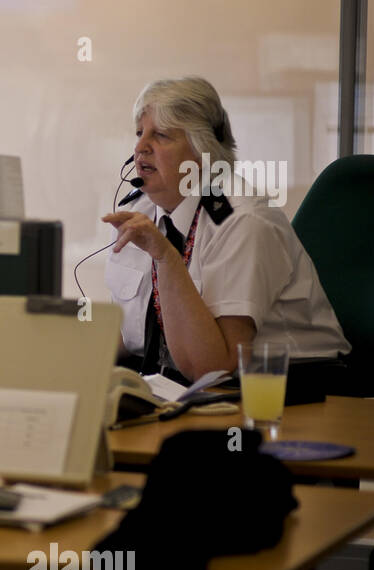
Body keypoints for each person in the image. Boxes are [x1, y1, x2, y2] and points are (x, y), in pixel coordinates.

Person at [102, 76, 350, 385]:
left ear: (202, 151)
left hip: (290, 390)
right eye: (140, 133)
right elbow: (132, 335)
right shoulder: (139, 212)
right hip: (176, 384)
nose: (139, 147)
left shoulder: (242, 221)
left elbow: (215, 369)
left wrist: (165, 256)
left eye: (161, 135)